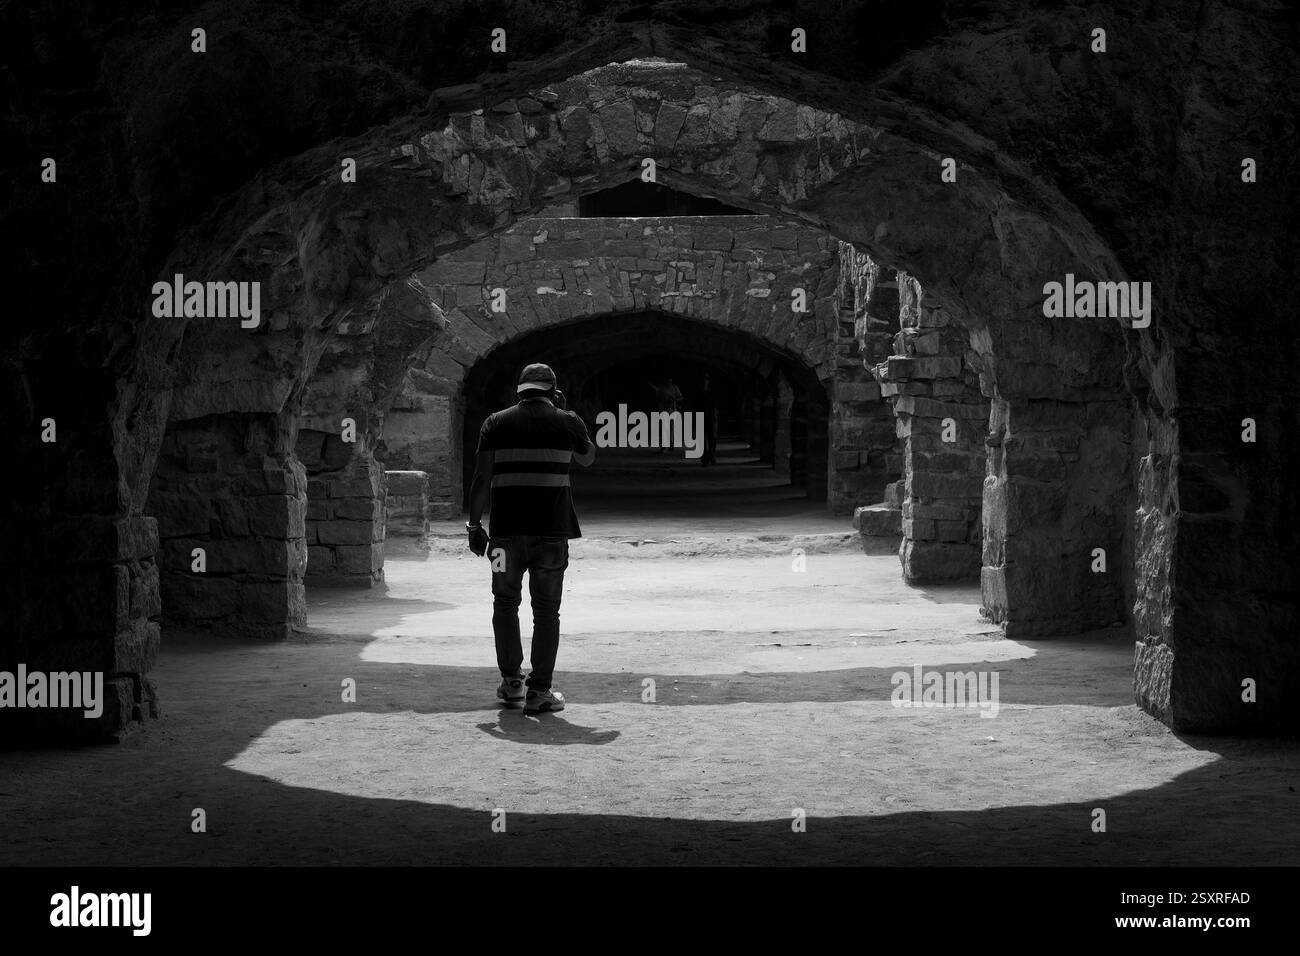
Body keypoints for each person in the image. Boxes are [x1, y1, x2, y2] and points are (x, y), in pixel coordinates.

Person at [466, 363, 595, 714]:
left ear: (519, 391)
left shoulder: (495, 423)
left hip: (504, 538)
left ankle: (511, 685)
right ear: (553, 391)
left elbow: (481, 479)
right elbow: (587, 458)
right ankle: (540, 692)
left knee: (504, 603)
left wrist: (474, 527)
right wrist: (563, 410)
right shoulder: (569, 421)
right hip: (552, 535)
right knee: (546, 611)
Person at [699, 373, 719, 466]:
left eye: (706, 379)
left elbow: (716, 405)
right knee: (702, 439)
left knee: (712, 438)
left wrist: (715, 417)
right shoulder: (698, 393)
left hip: (711, 417)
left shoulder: (712, 392)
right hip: (700, 417)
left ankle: (711, 456)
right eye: (703, 379)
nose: (704, 381)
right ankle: (705, 457)